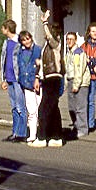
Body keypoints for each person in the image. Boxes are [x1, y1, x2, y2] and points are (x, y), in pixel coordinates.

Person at [36, 12, 66, 147]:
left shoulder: (56, 43)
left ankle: (41, 138)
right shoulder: (47, 47)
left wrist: (44, 23)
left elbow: (49, 36)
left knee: (44, 108)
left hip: (53, 78)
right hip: (47, 77)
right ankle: (56, 136)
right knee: (53, 109)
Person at [0, 19, 28, 142]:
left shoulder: (19, 42)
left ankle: (22, 133)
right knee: (13, 107)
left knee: (20, 107)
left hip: (18, 79)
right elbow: (4, 61)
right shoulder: (6, 43)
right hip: (9, 78)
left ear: (7, 29)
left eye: (3, 28)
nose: (1, 30)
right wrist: (4, 79)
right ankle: (15, 133)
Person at [17, 30, 43, 145]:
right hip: (27, 84)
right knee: (31, 111)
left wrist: (37, 78)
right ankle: (32, 135)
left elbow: (40, 66)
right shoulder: (20, 52)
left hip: (38, 84)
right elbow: (20, 67)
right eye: (23, 40)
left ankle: (42, 134)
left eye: (28, 39)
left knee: (41, 109)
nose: (26, 41)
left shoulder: (37, 49)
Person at [64, 31, 90, 138]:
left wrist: (76, 84)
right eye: (67, 39)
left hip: (80, 83)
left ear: (75, 40)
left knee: (80, 107)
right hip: (70, 81)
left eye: (71, 39)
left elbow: (79, 69)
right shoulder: (68, 53)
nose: (69, 41)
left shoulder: (78, 53)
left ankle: (82, 129)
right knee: (72, 107)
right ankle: (76, 126)